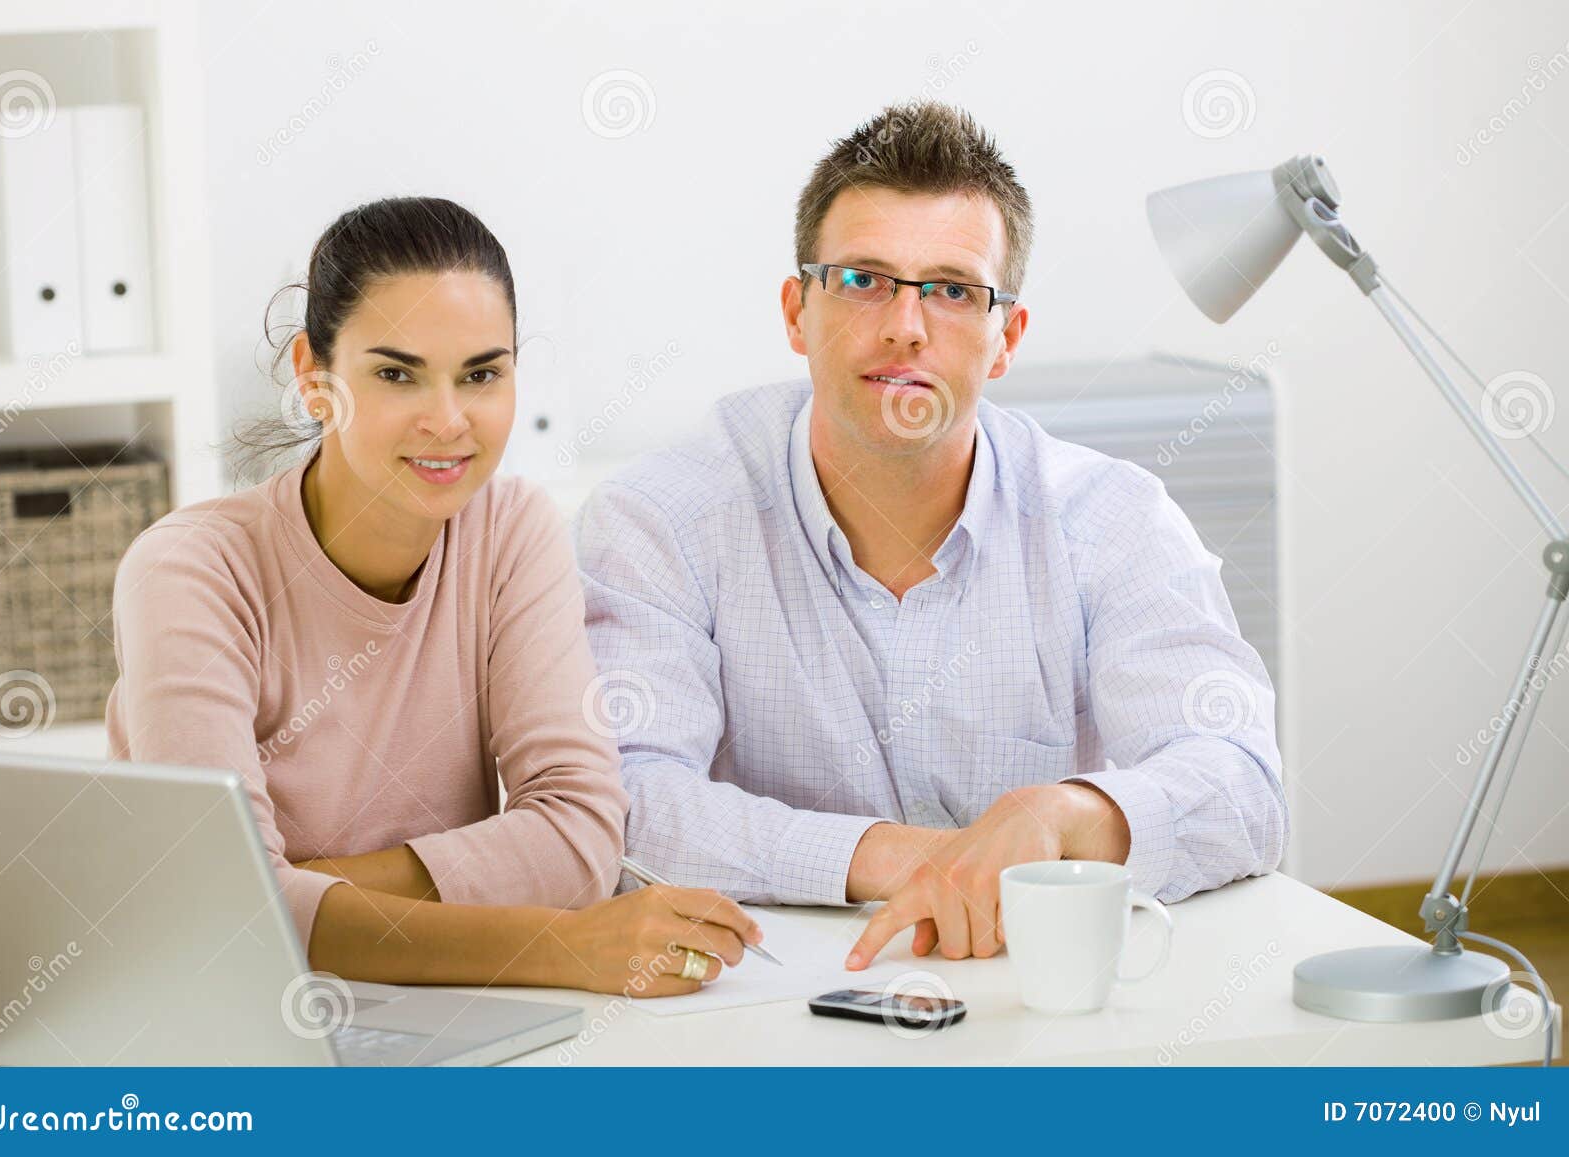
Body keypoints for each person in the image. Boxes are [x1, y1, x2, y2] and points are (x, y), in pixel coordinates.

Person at [575, 104, 1289, 972]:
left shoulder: (1112, 519)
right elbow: (624, 798)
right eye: (863, 279)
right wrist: (920, 858)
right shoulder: (665, 519)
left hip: (1030, 990)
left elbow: (1244, 782)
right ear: (798, 312)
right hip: (771, 1001)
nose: (906, 326)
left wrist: (1061, 817)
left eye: (952, 289)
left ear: (1005, 339)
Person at [107, 196, 759, 996]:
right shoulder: (190, 571)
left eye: (481, 374)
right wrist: (559, 948)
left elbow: (582, 837)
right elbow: (216, 919)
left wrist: (294, 890)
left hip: (444, 1006)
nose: (448, 421)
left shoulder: (512, 533)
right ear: (313, 377)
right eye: (395, 374)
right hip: (234, 1012)